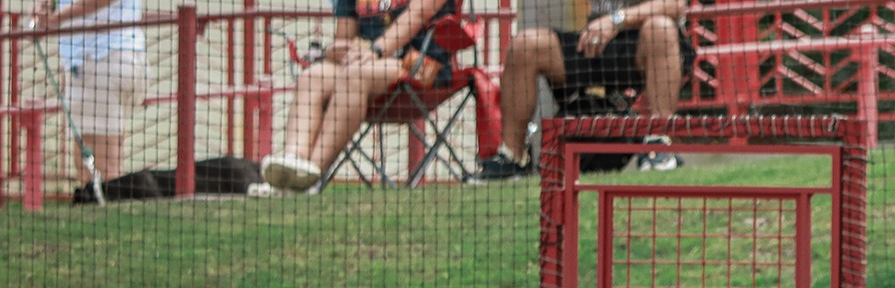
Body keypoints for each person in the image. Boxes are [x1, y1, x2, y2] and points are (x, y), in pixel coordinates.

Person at [475, 0, 692, 179]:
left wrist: (616, 20)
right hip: (593, 40)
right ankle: (512, 158)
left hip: (640, 41)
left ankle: (658, 145)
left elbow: (675, 5)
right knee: (524, 45)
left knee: (661, 28)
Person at [259, 0, 457, 193]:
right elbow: (345, 37)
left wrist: (375, 50)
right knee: (313, 77)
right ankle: (294, 161)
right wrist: (338, 50)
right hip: (367, 68)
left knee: (355, 74)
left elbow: (418, 14)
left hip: (424, 69)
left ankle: (311, 174)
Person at [31, 0, 149, 185]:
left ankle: (103, 200)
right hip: (118, 58)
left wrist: (58, 17)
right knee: (104, 159)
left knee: (101, 168)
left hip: (99, 61)